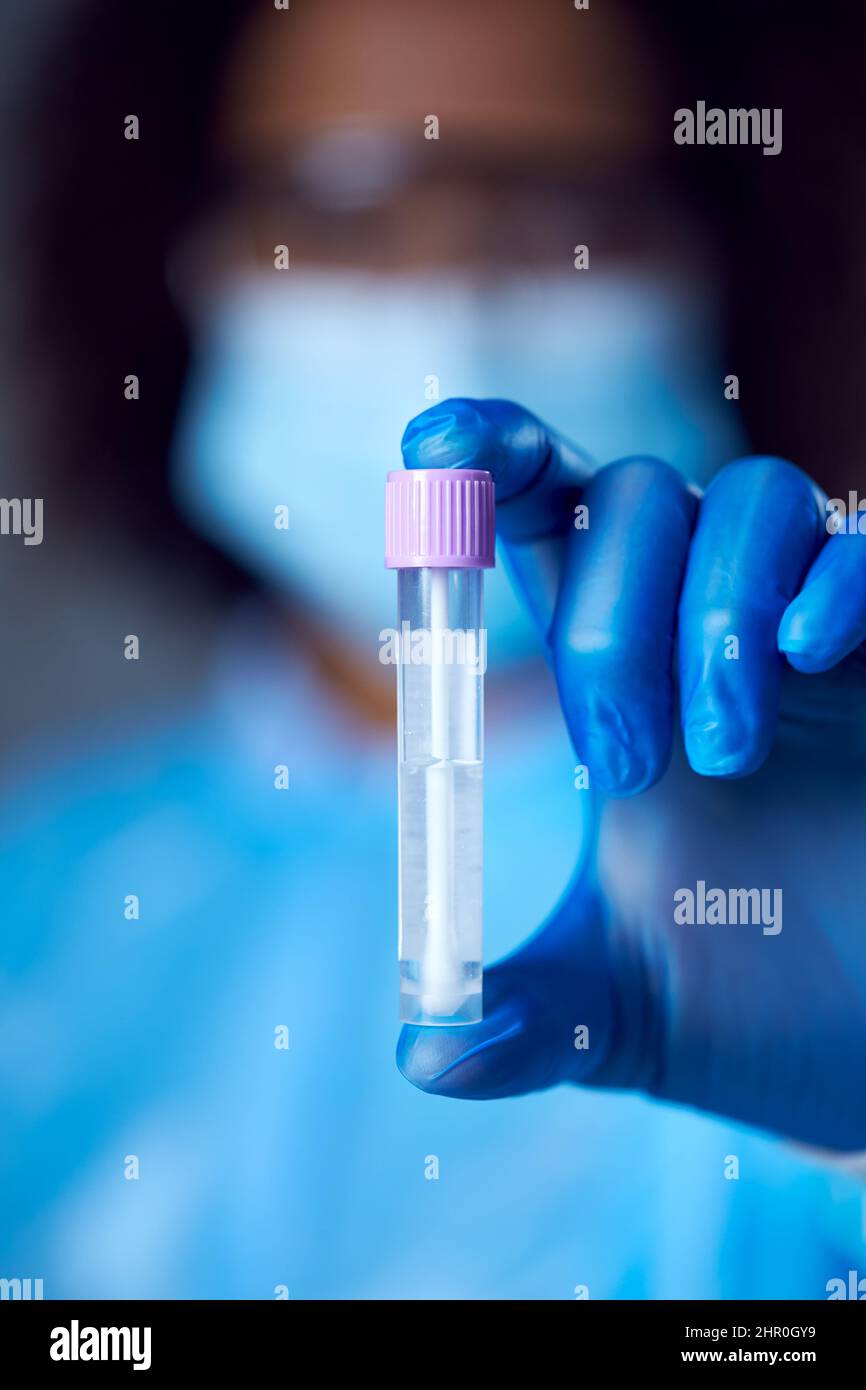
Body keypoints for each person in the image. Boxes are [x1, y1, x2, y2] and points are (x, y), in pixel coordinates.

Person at [2, 0, 865, 1299]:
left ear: (727, 262)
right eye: (337, 209)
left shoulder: (826, 853)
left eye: (565, 216)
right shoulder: (37, 897)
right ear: (179, 259)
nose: (448, 297)